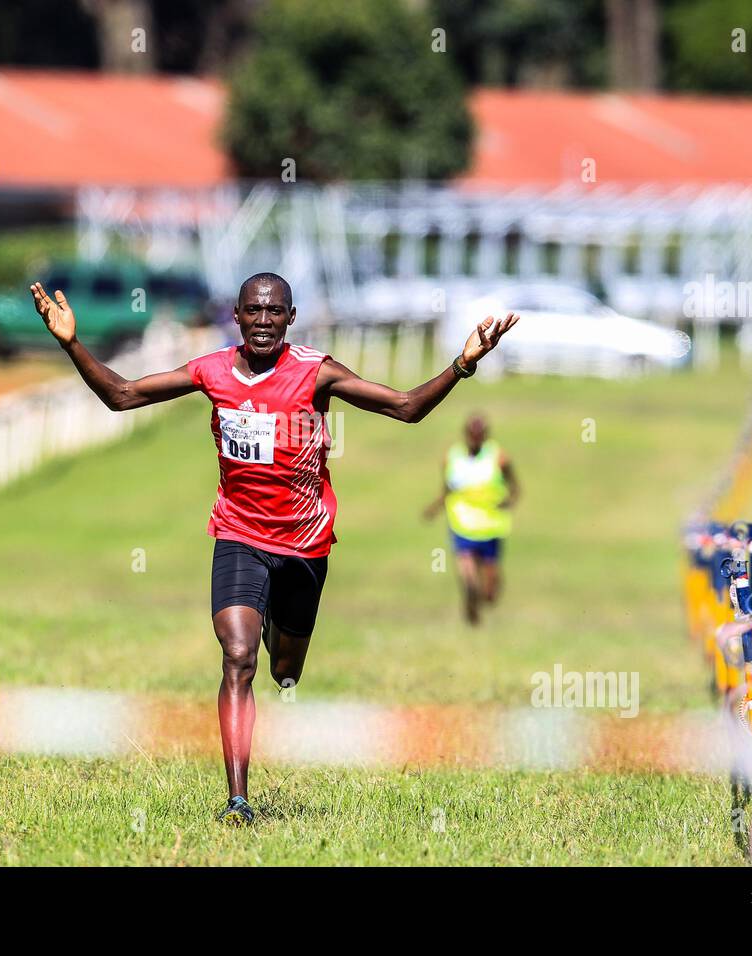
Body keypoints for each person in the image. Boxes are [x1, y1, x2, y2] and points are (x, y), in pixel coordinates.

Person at [29, 273, 518, 825]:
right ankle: (238, 800)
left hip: (304, 543)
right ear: (236, 317)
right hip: (239, 534)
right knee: (237, 658)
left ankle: (276, 630)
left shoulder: (317, 372)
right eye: (253, 312)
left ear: (290, 318)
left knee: (285, 670)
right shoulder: (210, 370)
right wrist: (71, 343)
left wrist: (463, 363)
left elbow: (405, 407)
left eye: (275, 312)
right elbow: (121, 396)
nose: (264, 321)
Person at [423, 414, 521, 625]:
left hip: (491, 525)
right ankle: (470, 596)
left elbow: (515, 487)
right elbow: (447, 488)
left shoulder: (498, 457)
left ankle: (484, 595)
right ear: (466, 434)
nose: (475, 439)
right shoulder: (453, 457)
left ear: (485, 436)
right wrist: (434, 508)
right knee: (467, 569)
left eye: (480, 435)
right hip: (462, 522)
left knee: (490, 589)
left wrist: (509, 500)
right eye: (472, 435)